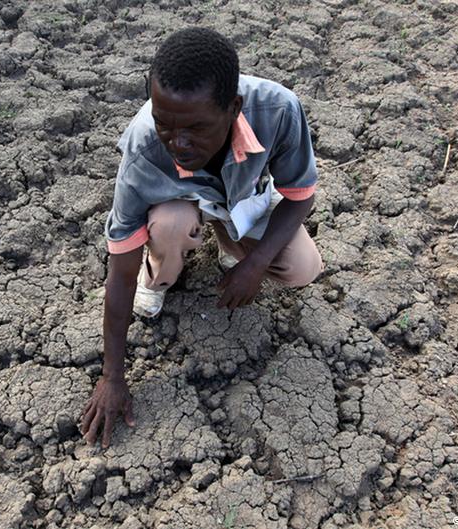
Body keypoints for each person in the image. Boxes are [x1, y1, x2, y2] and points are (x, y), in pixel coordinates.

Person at [80, 27, 323, 447]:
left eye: (195, 128)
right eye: (164, 125)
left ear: (233, 108)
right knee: (170, 224)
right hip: (179, 204)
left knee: (303, 267)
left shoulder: (278, 110)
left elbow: (300, 196)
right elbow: (118, 273)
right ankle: (160, 274)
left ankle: (232, 246)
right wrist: (111, 377)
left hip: (240, 198)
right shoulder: (143, 151)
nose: (178, 143)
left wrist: (256, 262)